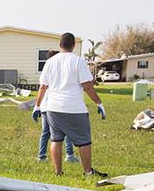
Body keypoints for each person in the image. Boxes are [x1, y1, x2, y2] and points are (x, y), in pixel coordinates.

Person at [31, 32, 107, 177]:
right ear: (73, 45)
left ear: (60, 45)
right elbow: (87, 86)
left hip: (53, 108)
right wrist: (99, 103)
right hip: (74, 108)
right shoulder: (78, 61)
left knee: (56, 139)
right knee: (84, 141)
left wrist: (37, 106)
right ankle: (88, 172)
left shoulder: (50, 62)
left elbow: (43, 87)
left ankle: (58, 172)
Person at [35, 95, 76, 162]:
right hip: (58, 107)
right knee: (67, 130)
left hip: (45, 106)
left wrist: (37, 107)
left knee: (45, 132)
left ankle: (41, 156)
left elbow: (42, 89)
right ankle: (70, 155)